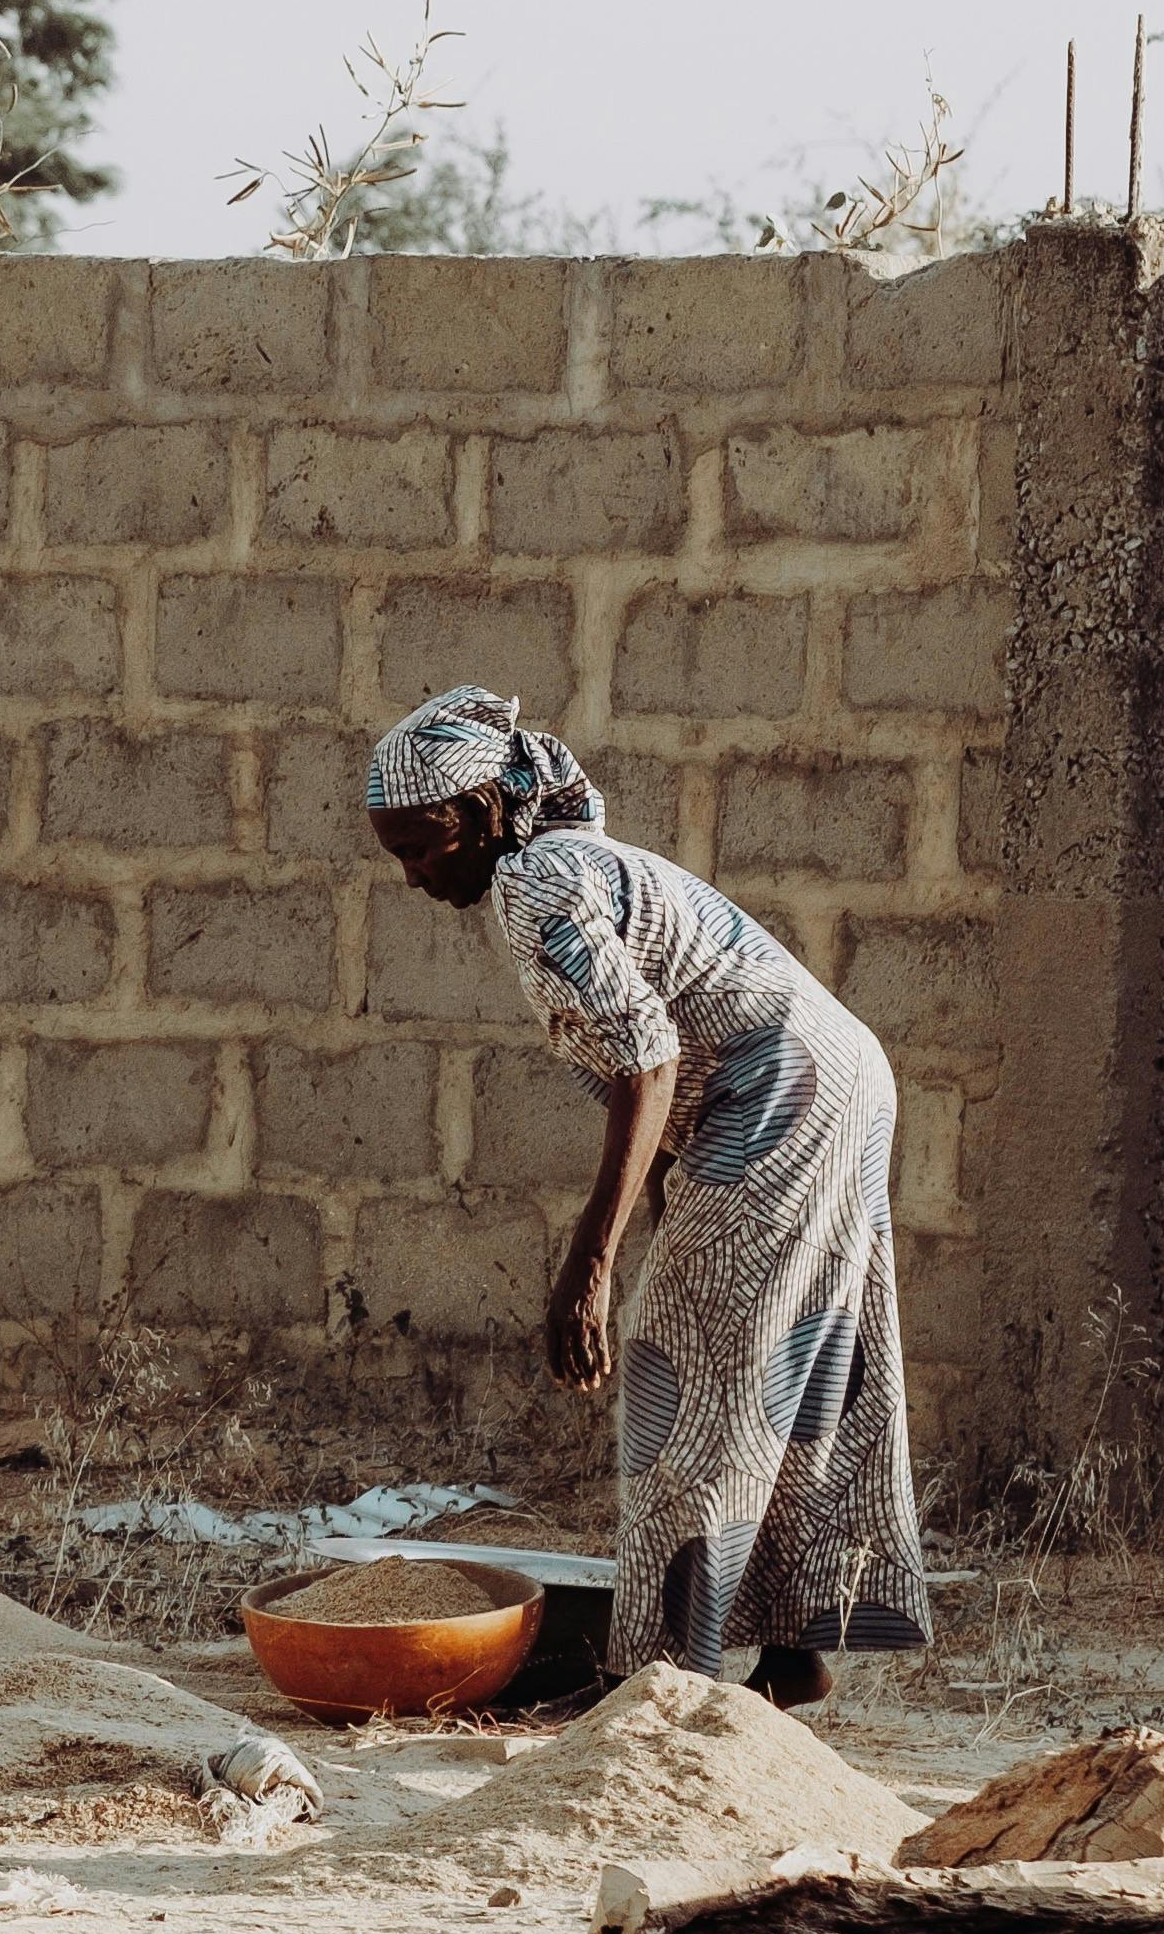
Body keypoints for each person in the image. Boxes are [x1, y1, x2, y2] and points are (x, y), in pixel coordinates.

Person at [364, 682, 930, 1707]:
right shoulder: (559, 871)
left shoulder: (540, 882)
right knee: (781, 1364)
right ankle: (790, 1660)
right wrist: (660, 1202)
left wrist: (590, 1262)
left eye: (426, 843)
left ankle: (666, 1684)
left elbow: (646, 1062)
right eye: (395, 852)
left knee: (688, 1374)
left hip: (780, 1094)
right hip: (832, 1079)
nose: (413, 875)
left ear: (488, 811)